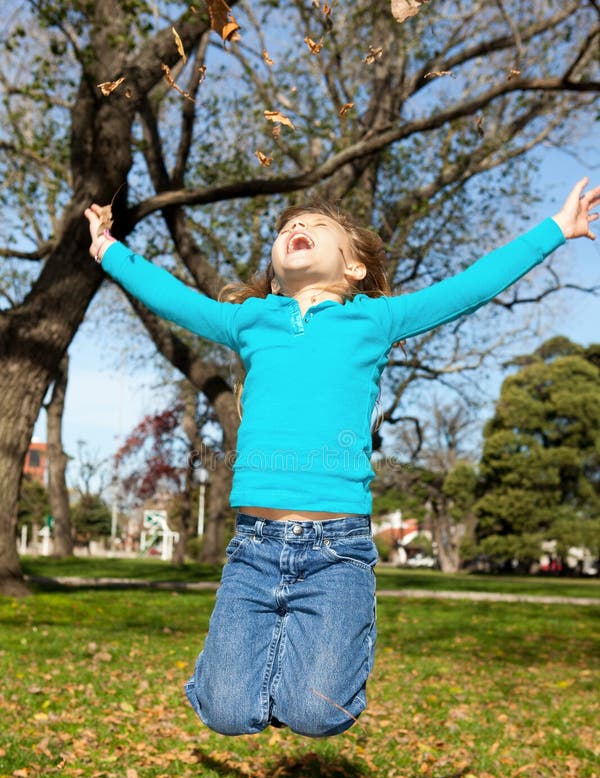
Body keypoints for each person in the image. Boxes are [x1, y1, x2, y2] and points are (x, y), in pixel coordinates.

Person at [85, 177, 599, 738]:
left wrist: (556, 229)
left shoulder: (372, 323)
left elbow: (467, 287)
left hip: (337, 551)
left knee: (319, 713)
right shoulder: (249, 321)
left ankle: (307, 675)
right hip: (253, 548)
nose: (295, 229)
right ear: (276, 270)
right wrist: (109, 250)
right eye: (285, 230)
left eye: (314, 227)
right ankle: (253, 674)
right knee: (226, 712)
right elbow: (174, 298)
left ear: (353, 269)